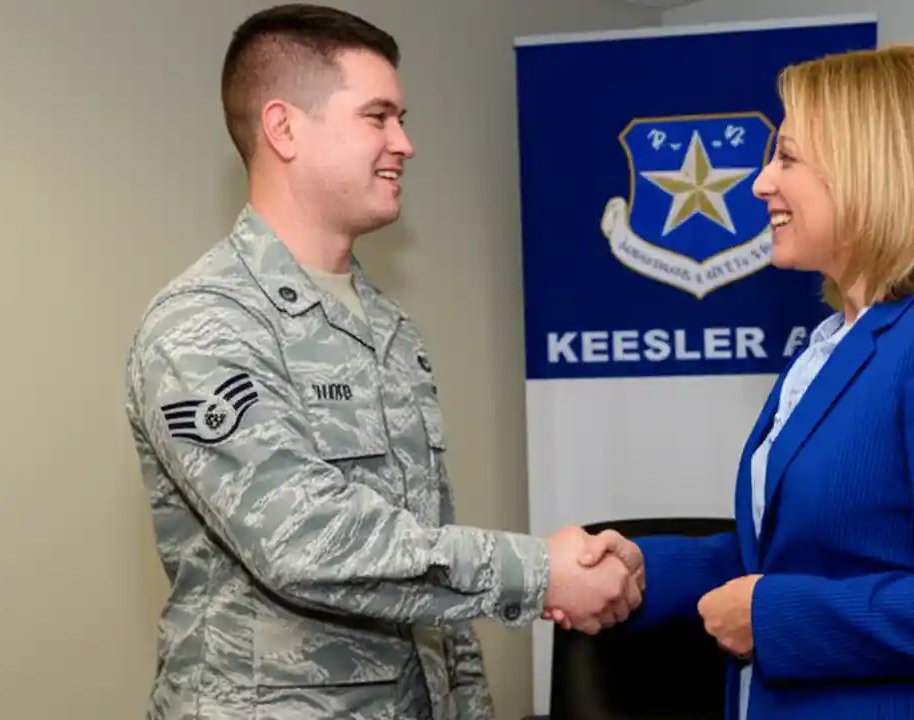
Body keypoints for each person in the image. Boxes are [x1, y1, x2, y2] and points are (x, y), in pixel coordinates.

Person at [123, 5, 642, 719]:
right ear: (284, 128)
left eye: (401, 117)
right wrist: (541, 571)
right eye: (378, 116)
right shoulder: (204, 325)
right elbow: (303, 539)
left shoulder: (389, 329)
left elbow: (426, 580)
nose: (406, 142)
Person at [554, 44, 914, 719]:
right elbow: (793, 552)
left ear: (873, 170)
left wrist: (769, 615)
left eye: (787, 158)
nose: (761, 183)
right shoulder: (832, 346)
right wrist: (644, 571)